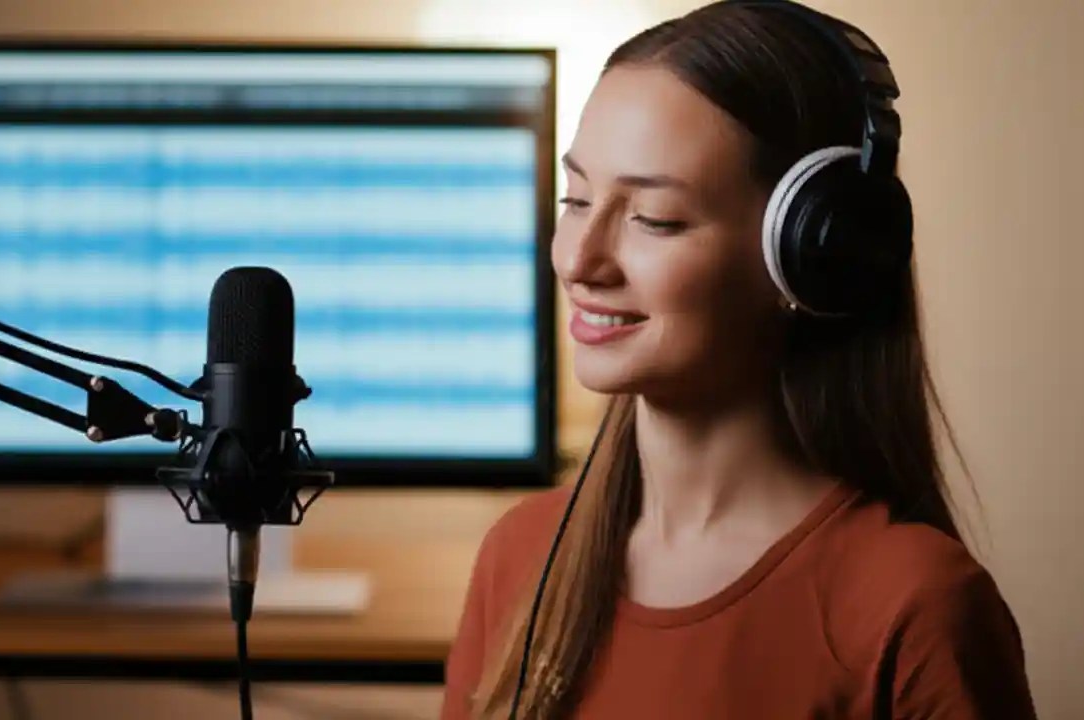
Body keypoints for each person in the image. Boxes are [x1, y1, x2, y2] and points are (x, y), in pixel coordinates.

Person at [441, 1, 1038, 718]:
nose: (579, 259)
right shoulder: (520, 555)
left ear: (807, 255)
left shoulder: (913, 608)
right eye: (576, 199)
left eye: (653, 220)